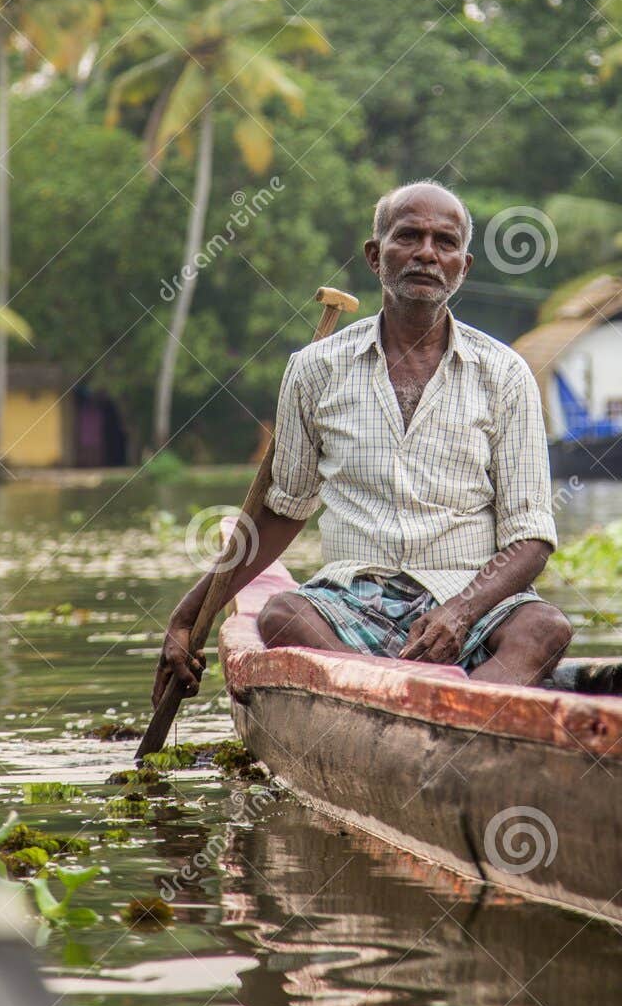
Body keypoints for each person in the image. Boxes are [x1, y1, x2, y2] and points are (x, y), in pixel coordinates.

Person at [152, 181, 571, 707]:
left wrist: (460, 611)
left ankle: (453, 712)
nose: (425, 253)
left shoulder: (505, 374)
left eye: (444, 242)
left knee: (543, 627)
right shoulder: (315, 370)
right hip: (353, 603)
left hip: (471, 598)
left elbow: (531, 539)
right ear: (375, 256)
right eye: (408, 236)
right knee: (282, 614)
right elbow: (283, 511)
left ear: (462, 268)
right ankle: (398, 701)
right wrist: (191, 614)